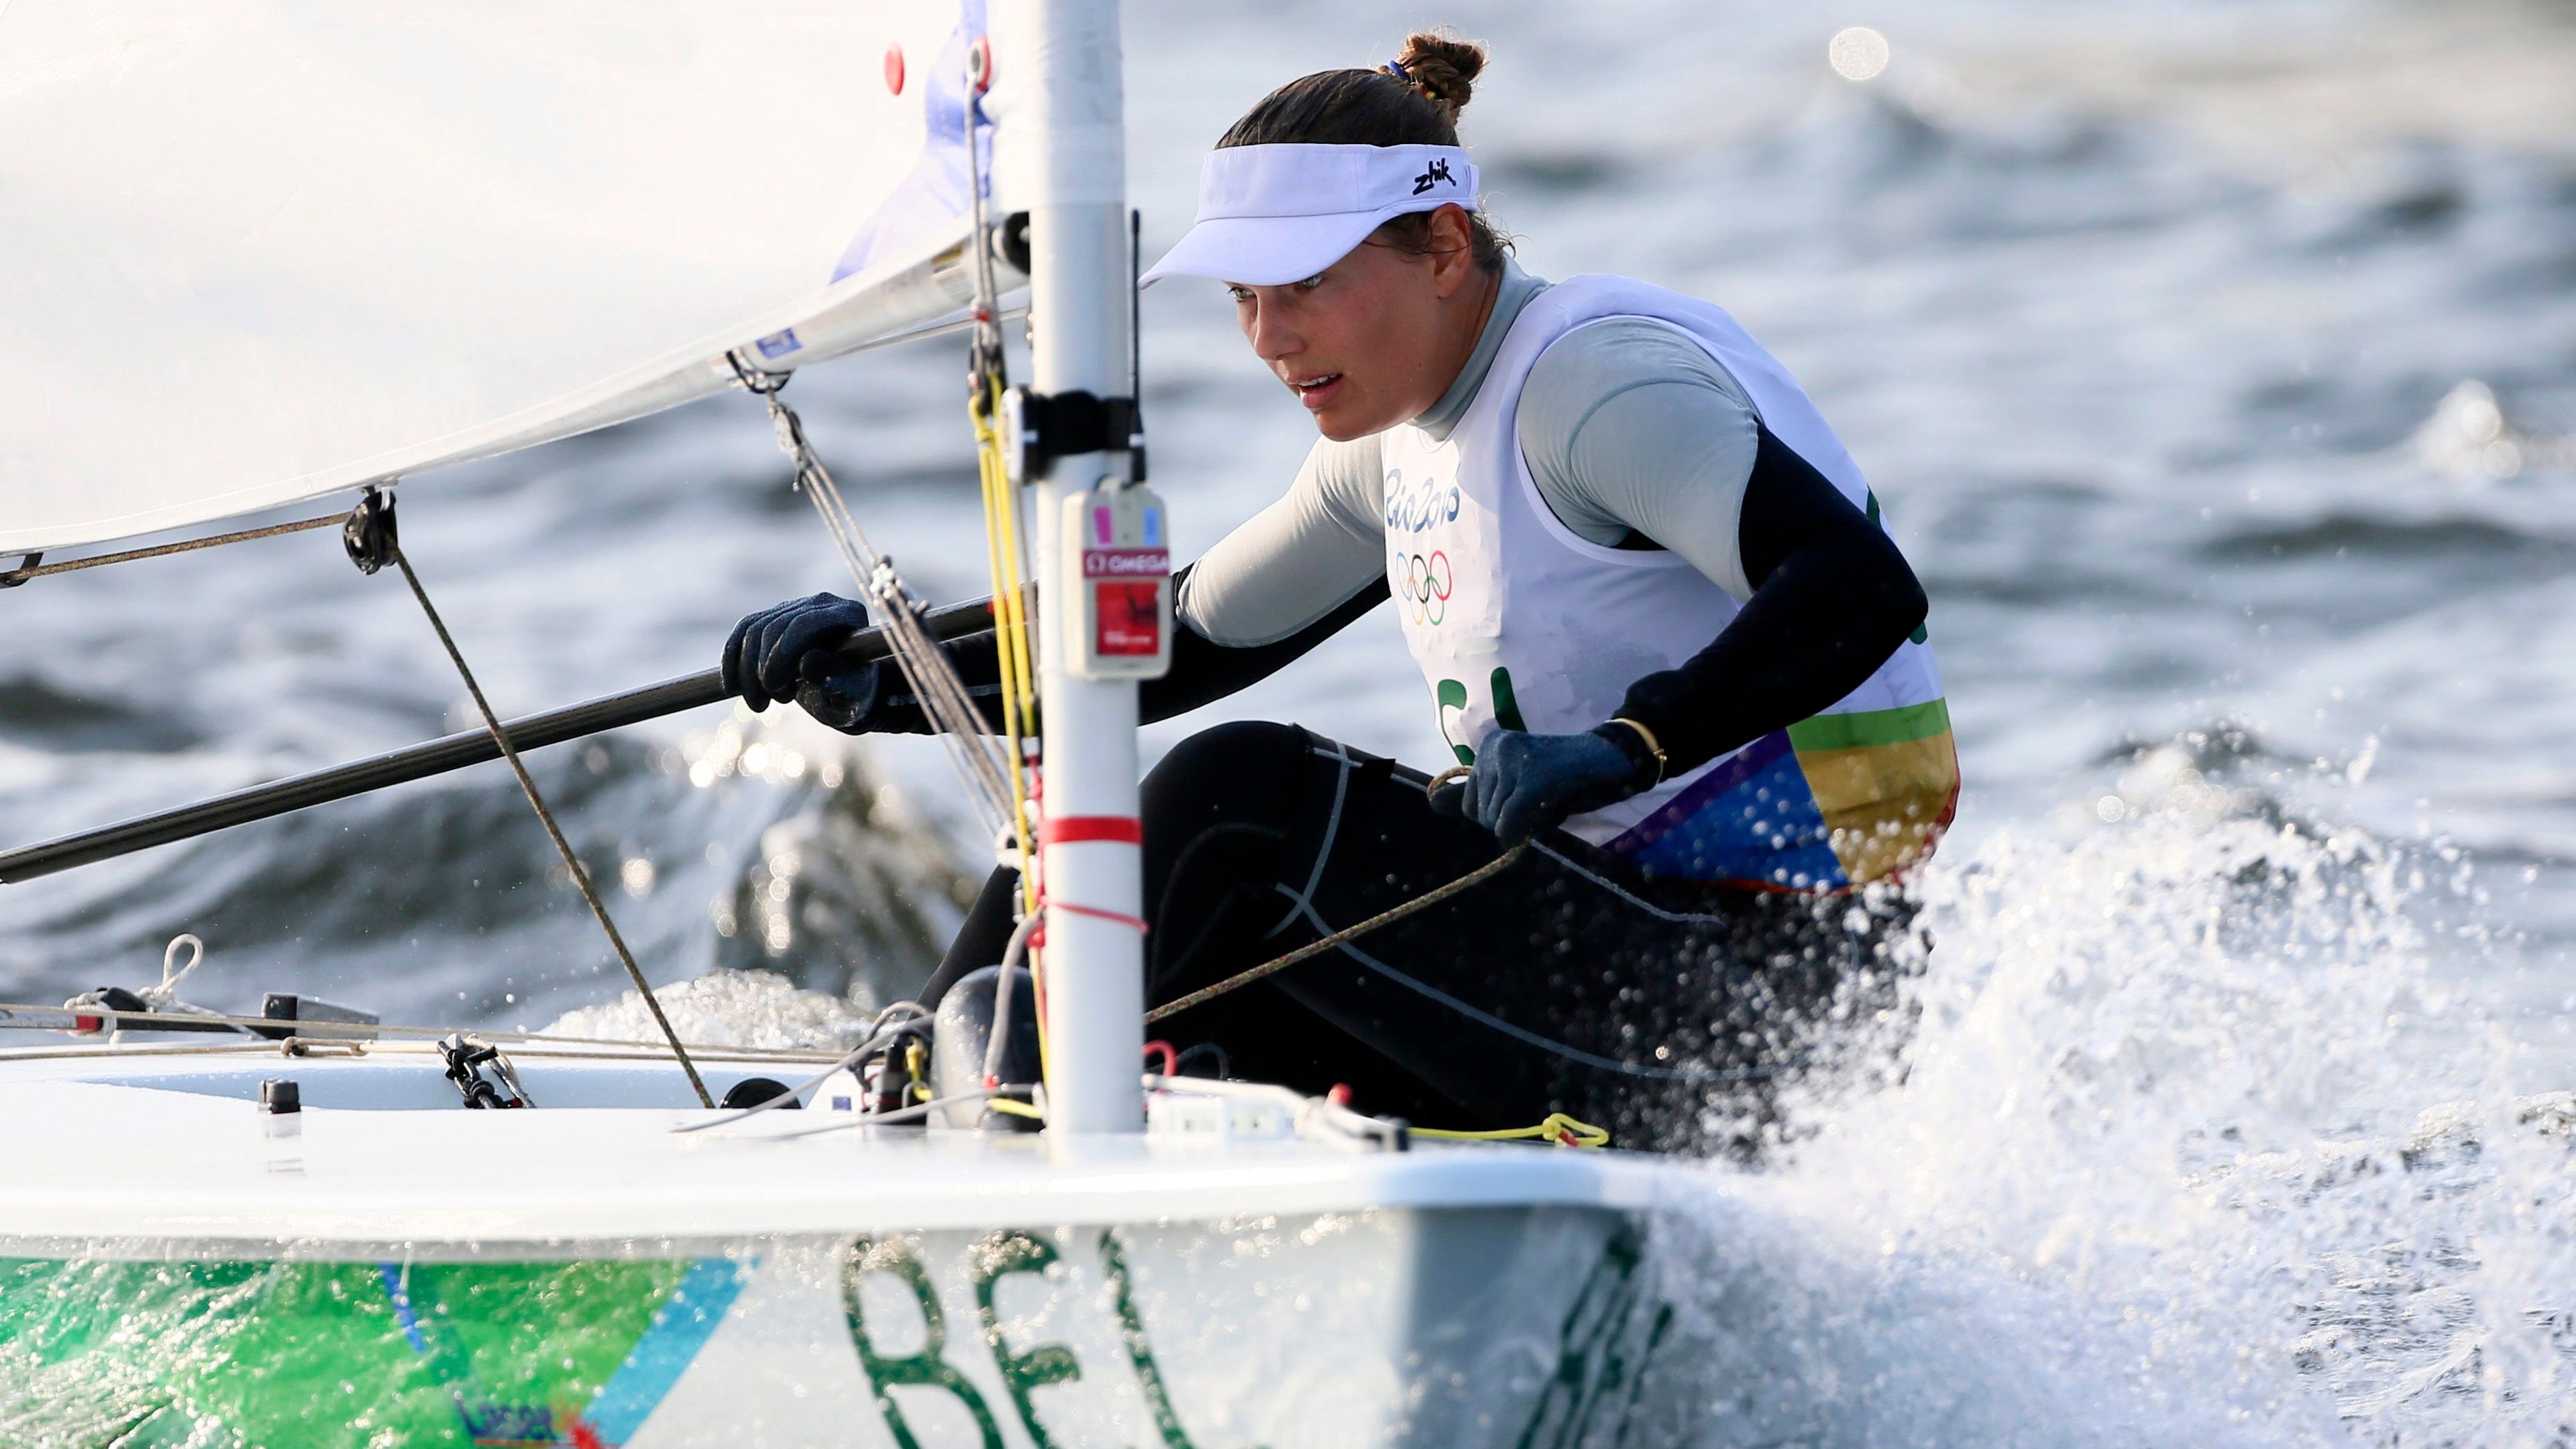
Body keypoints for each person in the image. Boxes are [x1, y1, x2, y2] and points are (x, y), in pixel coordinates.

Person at [721, 31, 1957, 1153]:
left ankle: (943, 1112)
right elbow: (1172, 637)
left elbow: (1855, 582)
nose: (1269, 336)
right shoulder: (1397, 440)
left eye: (1303, 285)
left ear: (1445, 249)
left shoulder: (1592, 388)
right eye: (1244, 297)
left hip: (1785, 1013)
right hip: (1604, 966)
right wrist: (898, 670)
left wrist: (1630, 745)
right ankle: (906, 1086)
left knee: (1244, 791)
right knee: (1100, 849)